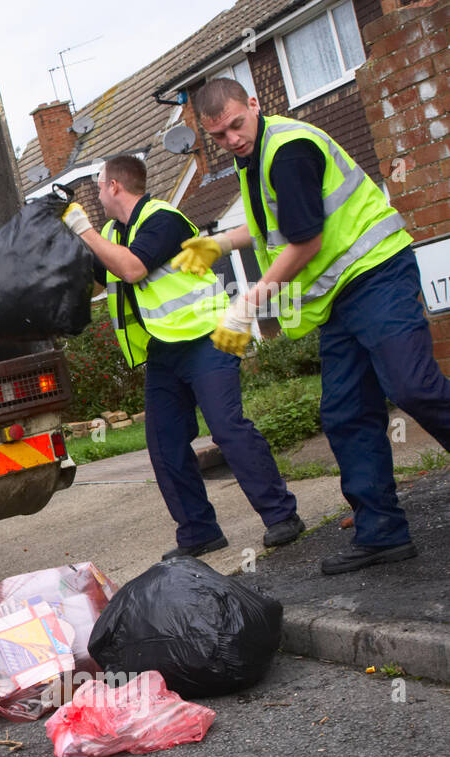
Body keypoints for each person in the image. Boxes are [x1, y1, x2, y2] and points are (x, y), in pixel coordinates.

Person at [181, 78, 450, 575]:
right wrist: (217, 244)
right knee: (346, 413)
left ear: (254, 106)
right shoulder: (255, 158)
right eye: (219, 136)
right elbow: (275, 225)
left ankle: (381, 527)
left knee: (411, 386)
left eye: (237, 125)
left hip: (376, 273)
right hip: (342, 298)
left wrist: (250, 303)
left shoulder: (287, 150)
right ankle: (382, 533)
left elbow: (304, 241)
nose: (232, 140)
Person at [62, 154, 303, 560]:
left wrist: (82, 229)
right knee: (164, 443)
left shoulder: (163, 219)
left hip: (210, 337)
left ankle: (282, 515)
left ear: (116, 186)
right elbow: (95, 277)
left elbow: (134, 269)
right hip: (164, 350)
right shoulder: (111, 232)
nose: (98, 194)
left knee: (227, 427)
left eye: (100, 185)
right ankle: (199, 532)